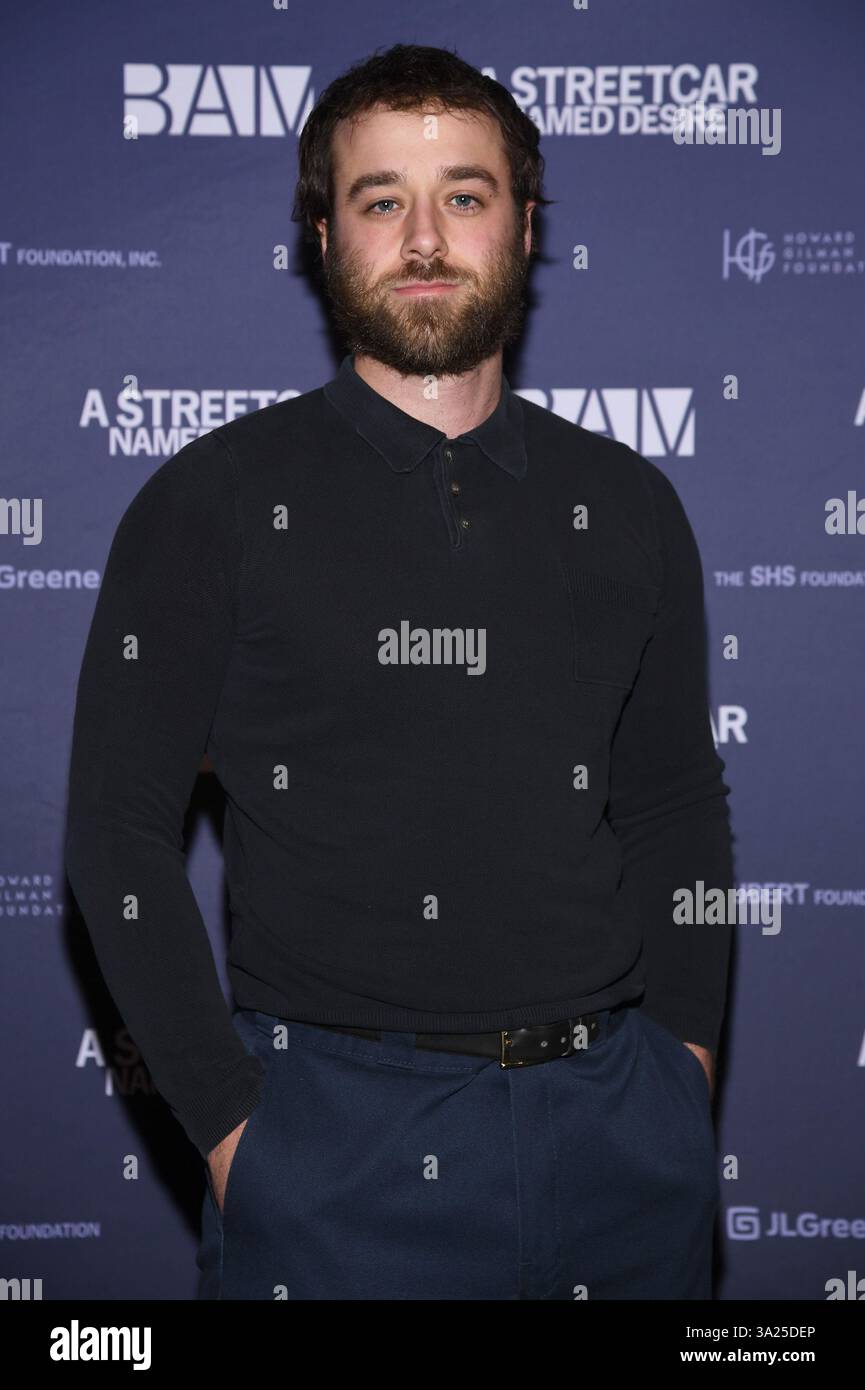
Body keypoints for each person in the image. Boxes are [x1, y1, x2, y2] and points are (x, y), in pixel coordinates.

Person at [64, 42, 735, 1301]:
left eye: (465, 197)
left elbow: (672, 806)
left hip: (623, 1137)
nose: (425, 237)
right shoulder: (207, 504)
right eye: (382, 200)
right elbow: (116, 835)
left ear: (524, 227)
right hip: (333, 1152)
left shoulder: (630, 506)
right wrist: (234, 1135)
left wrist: (681, 1069)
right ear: (326, 236)